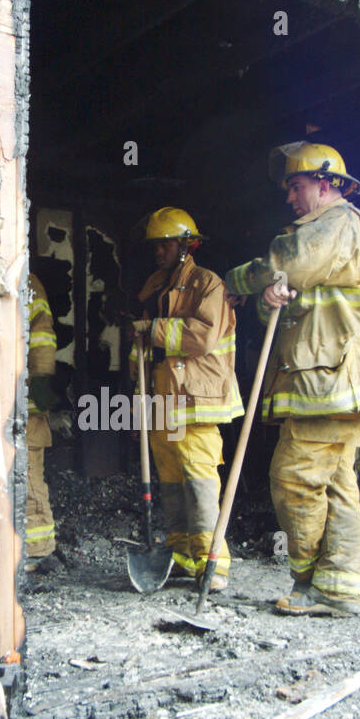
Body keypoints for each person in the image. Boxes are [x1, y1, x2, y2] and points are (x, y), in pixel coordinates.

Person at [224, 142, 360, 616]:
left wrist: (238, 280)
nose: (290, 198)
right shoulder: (328, 242)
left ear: (326, 183)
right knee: (336, 483)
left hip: (333, 380)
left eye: (296, 187)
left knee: (293, 477)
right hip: (327, 379)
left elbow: (288, 263)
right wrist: (268, 297)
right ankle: (337, 587)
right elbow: (288, 296)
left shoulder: (337, 224)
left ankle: (307, 579)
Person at [128, 207, 244, 592]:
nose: (158, 252)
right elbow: (142, 353)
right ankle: (180, 554)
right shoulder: (155, 289)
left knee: (198, 478)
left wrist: (153, 329)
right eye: (155, 245)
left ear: (185, 245)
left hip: (196, 397)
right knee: (172, 478)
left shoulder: (206, 284)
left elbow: (201, 336)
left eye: (165, 244)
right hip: (162, 397)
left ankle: (213, 561)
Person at [0, 272, 59, 572]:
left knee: (25, 475)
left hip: (17, 399)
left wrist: (39, 380)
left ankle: (34, 550)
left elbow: (40, 334)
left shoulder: (24, 279)